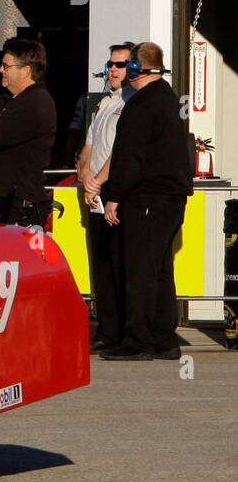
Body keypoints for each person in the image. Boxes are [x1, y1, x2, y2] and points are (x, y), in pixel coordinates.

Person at [98, 42, 193, 361]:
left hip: (149, 196)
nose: (121, 73)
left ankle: (138, 341)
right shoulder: (166, 97)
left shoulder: (143, 105)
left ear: (138, 69)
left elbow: (130, 157)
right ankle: (164, 337)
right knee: (160, 268)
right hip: (170, 197)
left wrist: (114, 197)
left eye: (127, 66)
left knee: (139, 267)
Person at [76, 43, 133, 352]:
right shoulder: (101, 103)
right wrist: (85, 175)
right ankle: (107, 331)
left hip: (114, 189)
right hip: (94, 189)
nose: (113, 70)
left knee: (118, 262)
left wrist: (98, 182)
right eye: (110, 64)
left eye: (120, 65)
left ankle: (124, 331)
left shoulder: (132, 102)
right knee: (100, 263)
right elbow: (89, 145)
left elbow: (122, 153)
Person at [0, 38, 56, 227]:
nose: (1, 70)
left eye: (6, 66)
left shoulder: (35, 102)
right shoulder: (8, 101)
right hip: (4, 200)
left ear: (26, 71)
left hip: (21, 205)